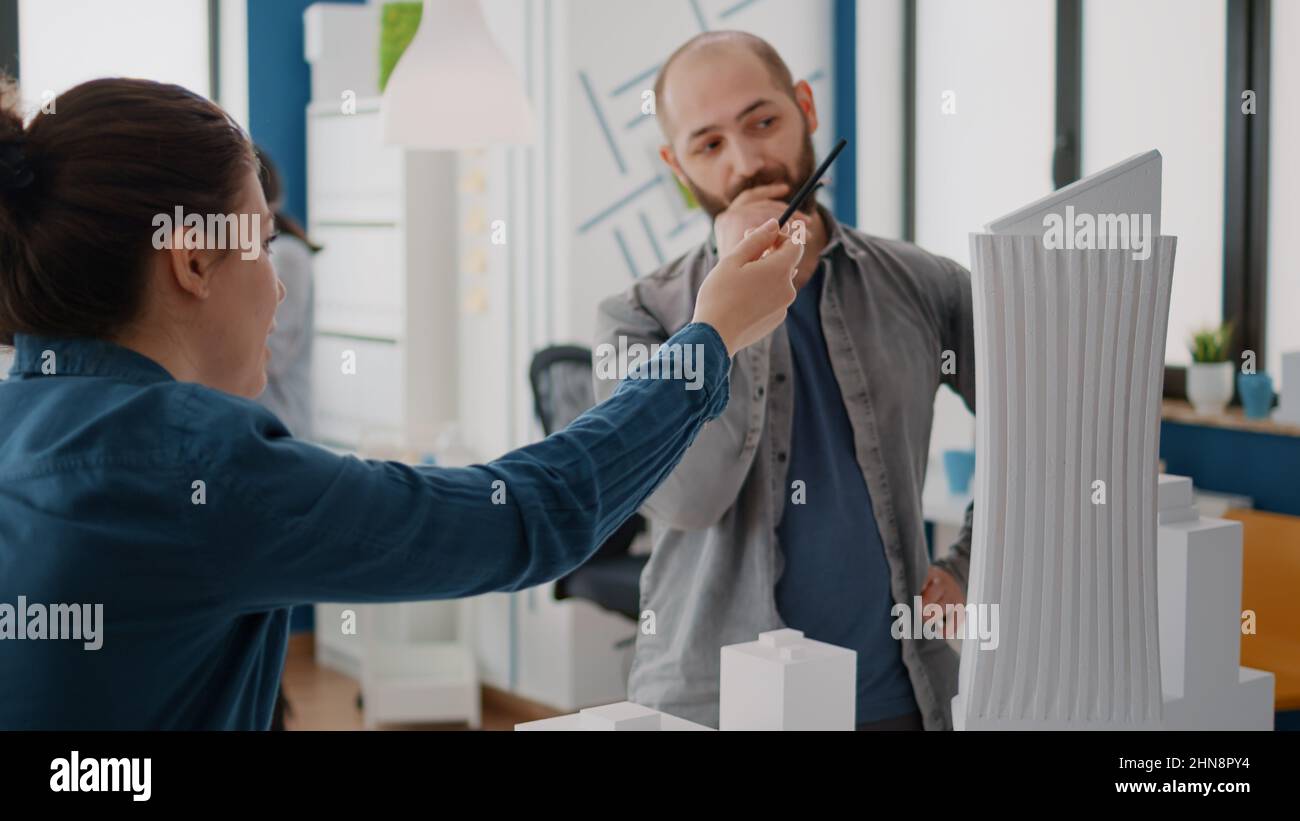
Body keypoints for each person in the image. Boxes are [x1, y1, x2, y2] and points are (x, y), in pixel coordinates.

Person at [0, 77, 804, 730]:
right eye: (263, 243)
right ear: (193, 260)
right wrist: (712, 336)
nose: (280, 286)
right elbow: (529, 513)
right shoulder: (194, 466)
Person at [593, 31, 977, 730]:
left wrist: (970, 561)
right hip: (708, 706)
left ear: (805, 107)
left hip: (898, 700)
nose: (746, 162)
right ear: (676, 165)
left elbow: (1046, 423)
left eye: (762, 122)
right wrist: (735, 310)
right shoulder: (637, 318)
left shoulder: (928, 285)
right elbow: (686, 498)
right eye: (708, 145)